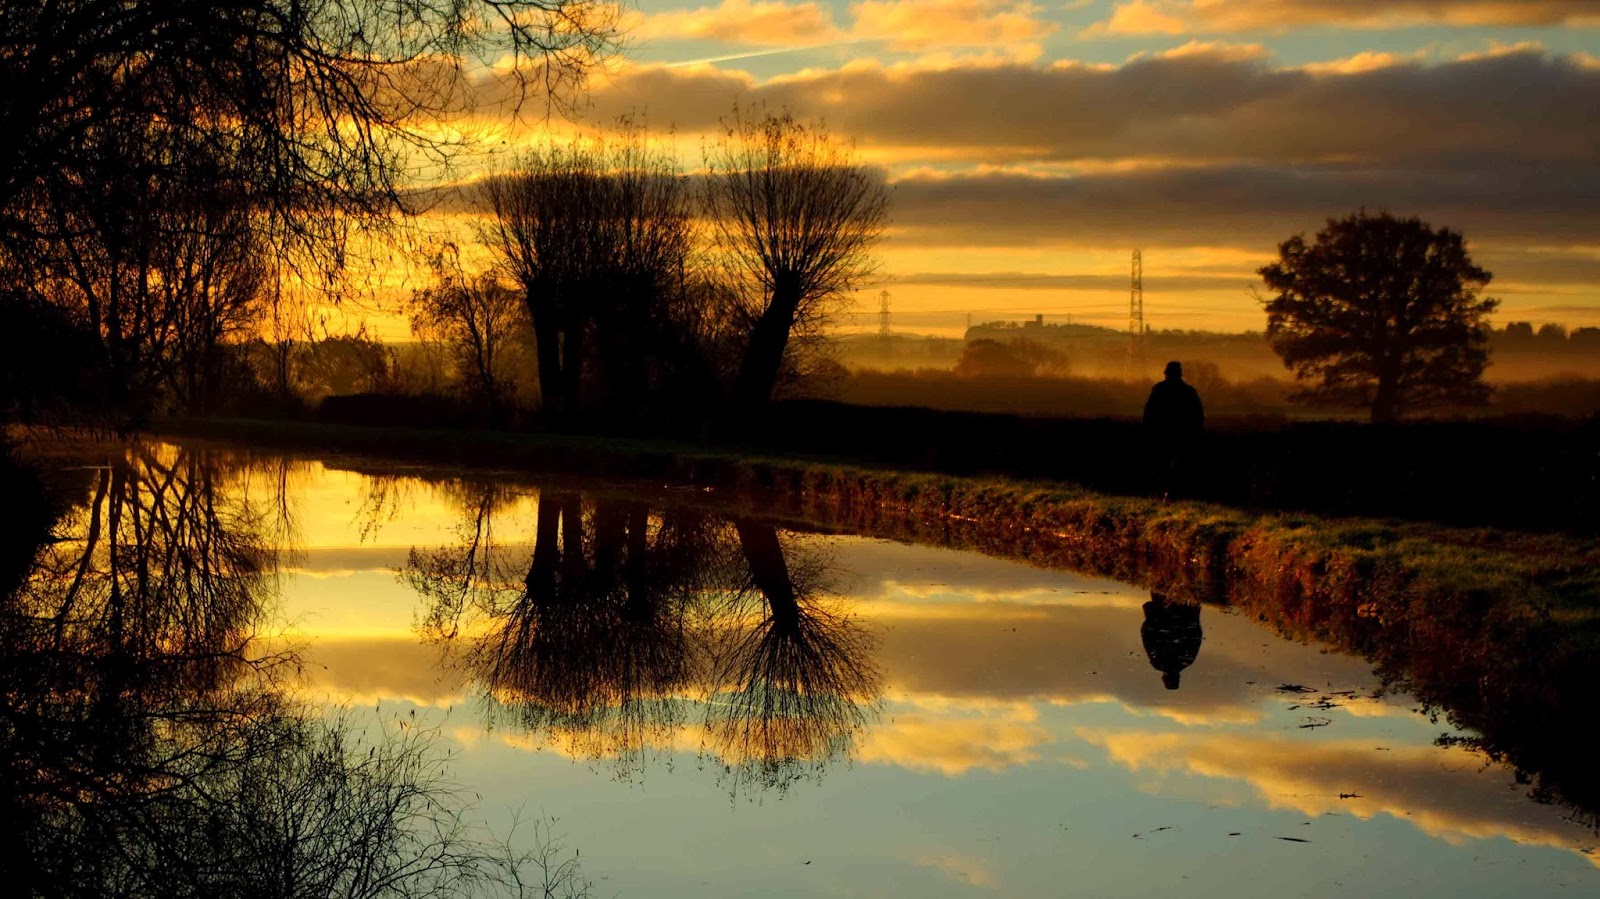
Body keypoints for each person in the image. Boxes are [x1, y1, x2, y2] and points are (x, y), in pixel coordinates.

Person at [1142, 360, 1204, 498]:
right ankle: (1174, 493)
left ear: (1166, 373)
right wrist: (1194, 432)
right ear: (1180, 374)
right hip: (1183, 435)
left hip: (1161, 435)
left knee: (1161, 465)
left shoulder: (1158, 390)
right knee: (1179, 466)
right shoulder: (1189, 392)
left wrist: (1148, 430)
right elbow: (1198, 415)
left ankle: (1165, 492)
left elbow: (1149, 412)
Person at [1140, 591, 1203, 690]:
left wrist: (1193, 612)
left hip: (1181, 616)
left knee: (1177, 588)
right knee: (1161, 587)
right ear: (1164, 677)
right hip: (1161, 616)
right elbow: (1148, 639)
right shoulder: (1159, 662)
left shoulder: (1186, 661)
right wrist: (1149, 621)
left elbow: (1196, 636)